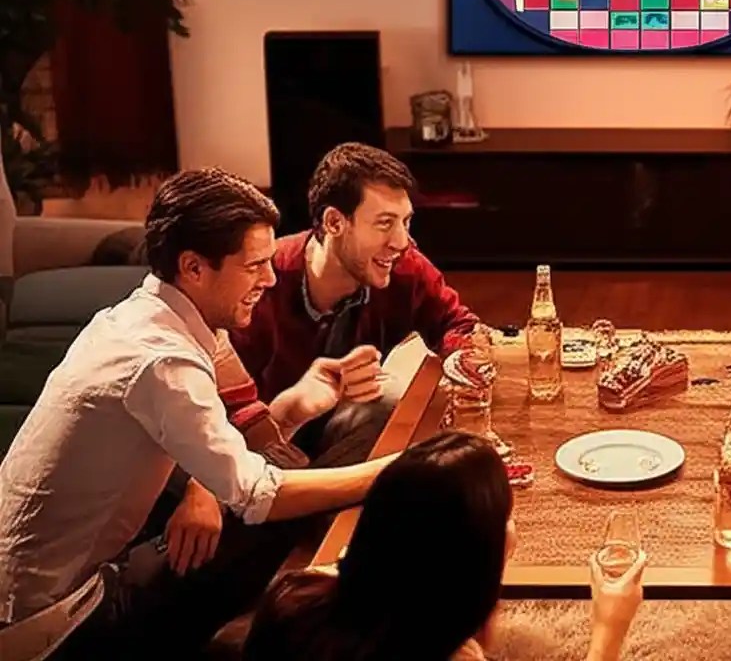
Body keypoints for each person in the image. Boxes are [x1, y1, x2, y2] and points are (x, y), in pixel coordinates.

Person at [0, 168, 402, 660]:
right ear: (193, 267)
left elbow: (252, 439)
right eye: (254, 266)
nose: (270, 279)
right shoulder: (161, 359)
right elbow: (258, 495)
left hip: (82, 575)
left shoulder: (157, 314)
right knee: (307, 503)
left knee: (351, 443)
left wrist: (296, 407)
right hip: (48, 623)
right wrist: (394, 474)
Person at [242, 431, 644, 661]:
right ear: (464, 561)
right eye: (504, 519)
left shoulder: (293, 596)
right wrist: (609, 629)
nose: (511, 531)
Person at [227, 141, 480, 461]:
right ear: (334, 222)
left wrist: (464, 358)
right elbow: (219, 419)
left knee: (399, 406)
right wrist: (278, 427)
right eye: (385, 223)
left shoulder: (403, 266)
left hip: (335, 430)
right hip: (256, 446)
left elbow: (457, 323)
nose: (402, 242)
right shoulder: (259, 283)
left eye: (406, 221)